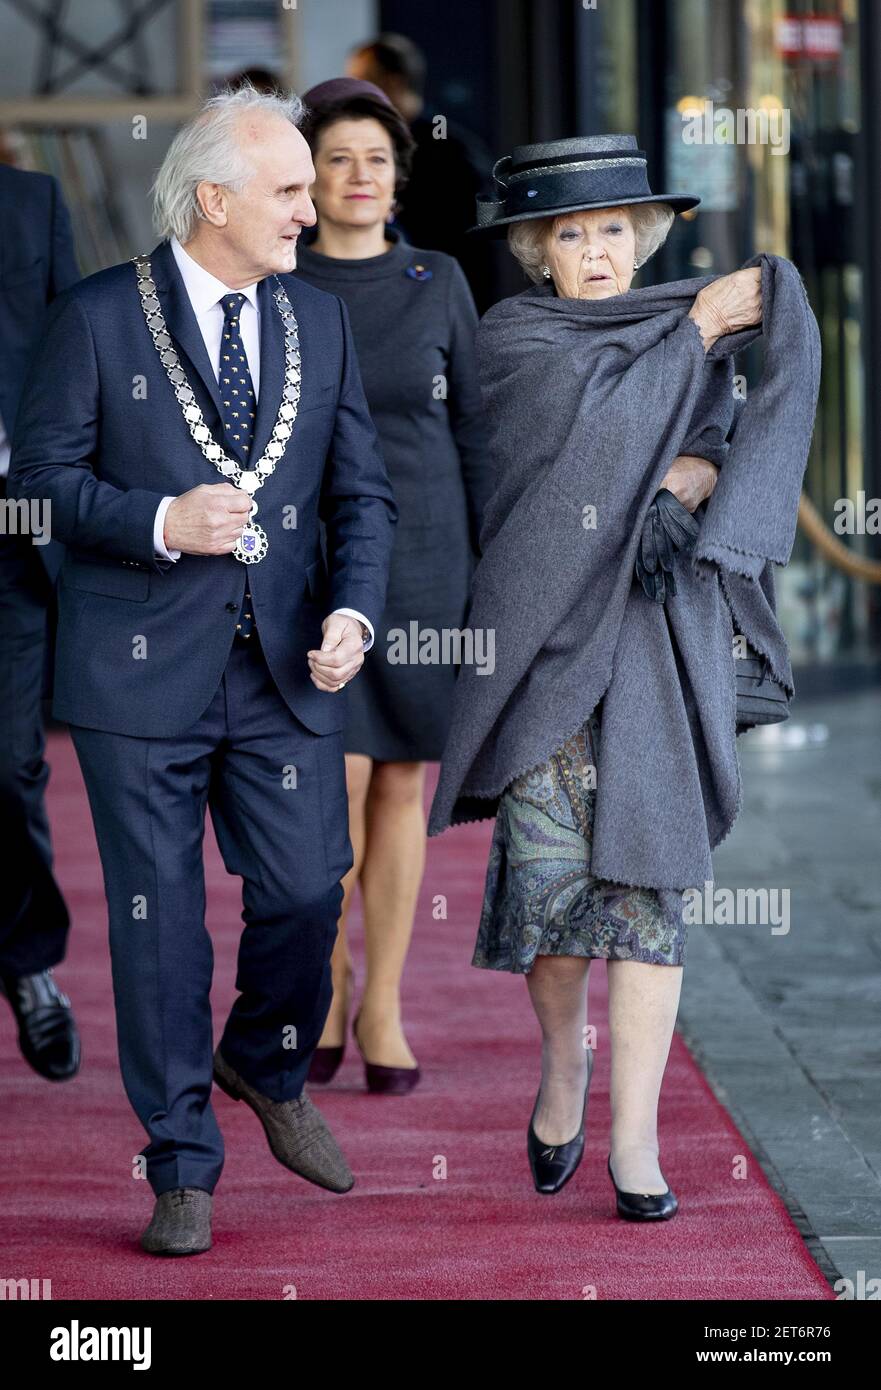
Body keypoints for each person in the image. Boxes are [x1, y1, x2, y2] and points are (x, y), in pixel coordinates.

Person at [8, 85, 397, 1255]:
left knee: (303, 889)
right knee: (159, 923)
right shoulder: (91, 320)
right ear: (212, 196)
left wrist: (356, 614)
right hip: (135, 679)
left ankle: (264, 1057)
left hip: (286, 671)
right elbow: (40, 487)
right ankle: (180, 1161)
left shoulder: (317, 318)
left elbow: (359, 495)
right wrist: (162, 520)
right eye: (287, 188)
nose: (308, 206)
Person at [427, 135, 820, 1220]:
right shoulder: (514, 340)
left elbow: (719, 432)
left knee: (647, 903)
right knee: (557, 918)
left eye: (612, 231)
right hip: (552, 653)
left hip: (654, 644)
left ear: (640, 241)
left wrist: (695, 474)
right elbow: (585, 457)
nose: (596, 253)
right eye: (570, 234)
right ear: (532, 250)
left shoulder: (668, 331)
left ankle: (635, 1144)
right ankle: (563, 1068)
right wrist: (693, 335)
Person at [293, 77, 491, 1094]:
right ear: (309, 177)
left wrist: (489, 568)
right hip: (310, 564)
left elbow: (473, 433)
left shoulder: (438, 279)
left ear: (397, 174)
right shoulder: (278, 284)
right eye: (338, 158)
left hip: (425, 561)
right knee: (338, 778)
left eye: (376, 157)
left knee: (401, 778)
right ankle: (325, 984)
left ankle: (383, 1003)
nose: (359, 175)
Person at [0, 161, 81, 1082]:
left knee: (10, 762)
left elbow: (74, 349)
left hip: (11, 530)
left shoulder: (31, 200)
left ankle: (27, 965)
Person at [346, 33, 495, 313]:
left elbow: (473, 248)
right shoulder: (370, 145)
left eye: (360, 80)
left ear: (391, 82)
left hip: (439, 302)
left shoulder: (450, 150)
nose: (353, 93)